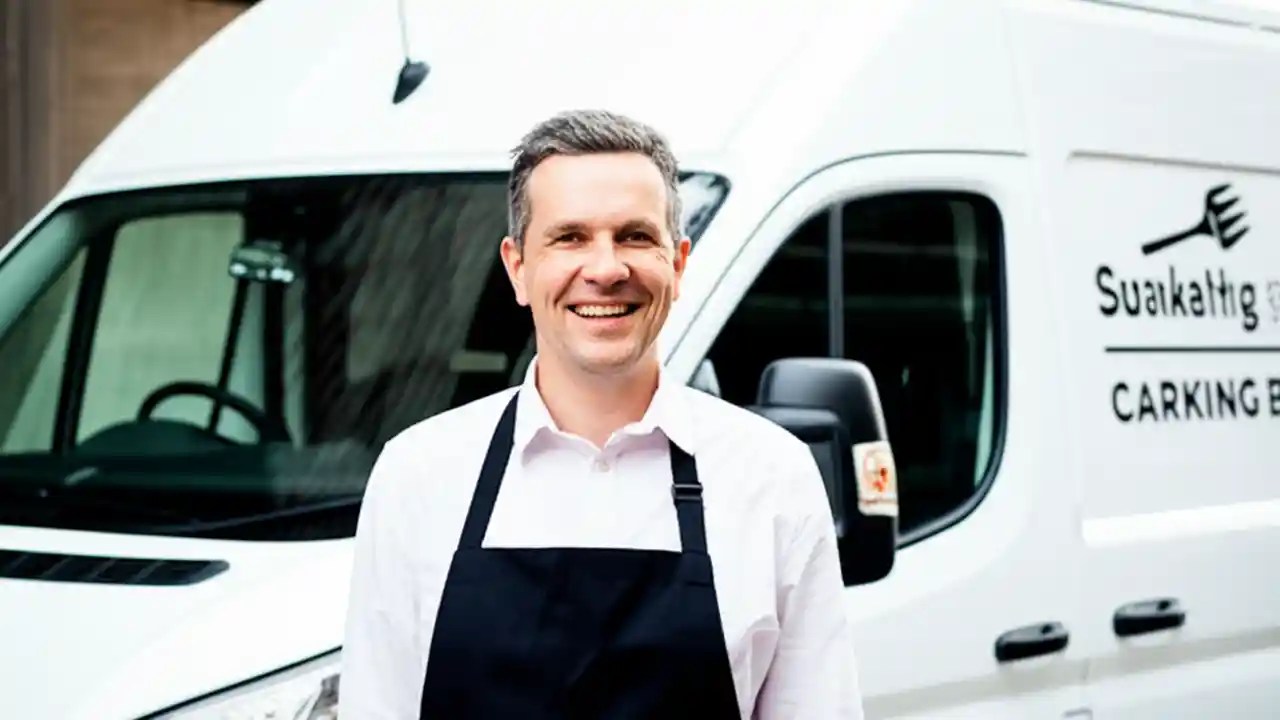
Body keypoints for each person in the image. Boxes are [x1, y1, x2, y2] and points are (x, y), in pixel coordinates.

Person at [340, 109, 864, 719]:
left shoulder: (772, 477)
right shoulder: (420, 474)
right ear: (517, 267)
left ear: (679, 262)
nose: (607, 269)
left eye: (636, 236)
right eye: (570, 237)